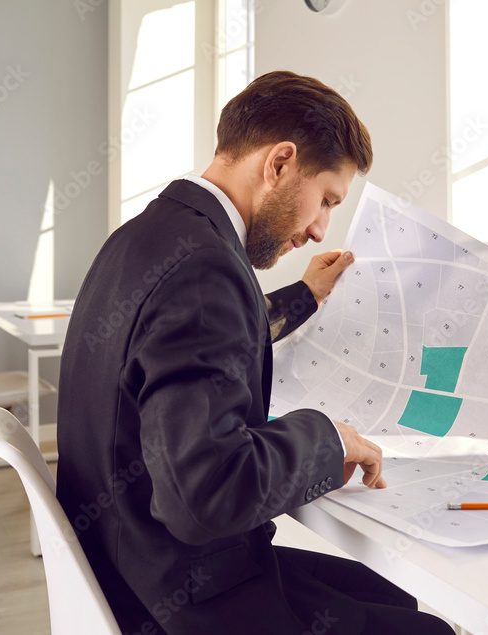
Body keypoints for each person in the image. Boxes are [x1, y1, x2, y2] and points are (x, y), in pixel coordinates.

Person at [56, 71, 455, 634]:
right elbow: (206, 495)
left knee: (384, 593)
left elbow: (200, 341)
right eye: (326, 200)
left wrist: (306, 295)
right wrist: (329, 439)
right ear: (280, 163)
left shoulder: (150, 236)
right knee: (427, 628)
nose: (320, 230)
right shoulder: (206, 268)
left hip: (130, 563)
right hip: (184, 597)